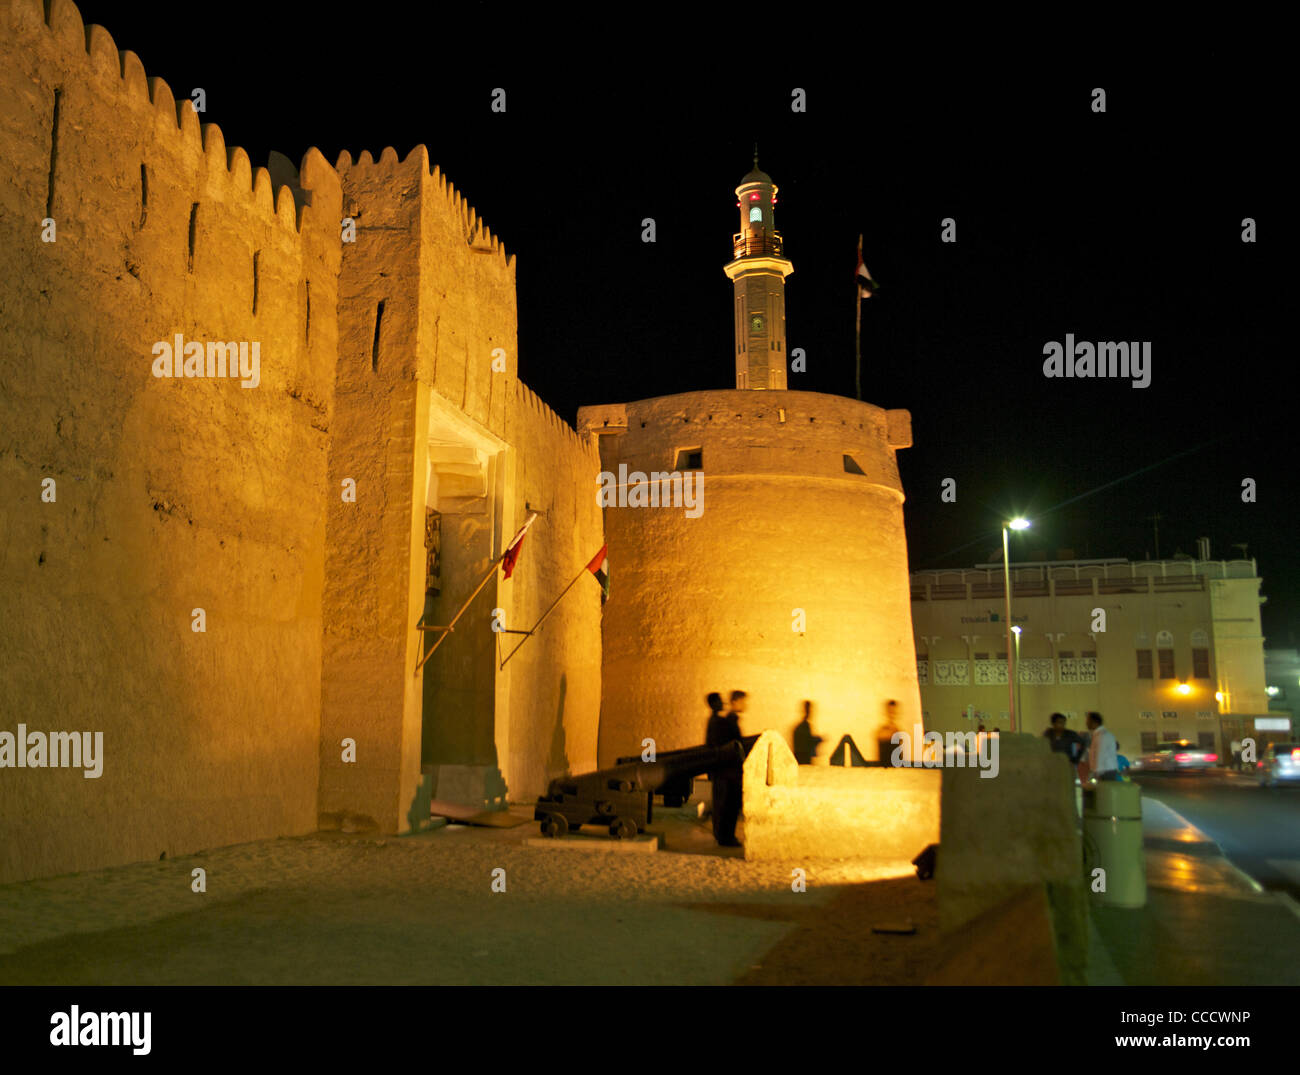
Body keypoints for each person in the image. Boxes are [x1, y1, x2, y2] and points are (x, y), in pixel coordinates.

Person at [706, 690, 745, 846]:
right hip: (727, 772)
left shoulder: (717, 721)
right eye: (719, 701)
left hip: (723, 771)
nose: (723, 703)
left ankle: (724, 836)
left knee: (723, 804)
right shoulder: (720, 722)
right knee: (727, 804)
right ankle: (725, 837)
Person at [1085, 712, 1119, 780]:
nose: (1086, 724)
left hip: (1105, 771)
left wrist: (1096, 773)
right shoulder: (1099, 735)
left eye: (1088, 721)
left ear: (1094, 722)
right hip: (1104, 771)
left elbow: (1100, 754)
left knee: (1104, 790)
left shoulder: (1102, 736)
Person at [792, 700, 823, 765]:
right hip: (803, 760)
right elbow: (807, 742)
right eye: (810, 709)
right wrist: (818, 739)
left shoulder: (802, 726)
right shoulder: (803, 726)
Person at [878, 699, 901, 767]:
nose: (892, 714)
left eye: (894, 711)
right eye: (890, 711)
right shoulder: (881, 731)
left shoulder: (897, 731)